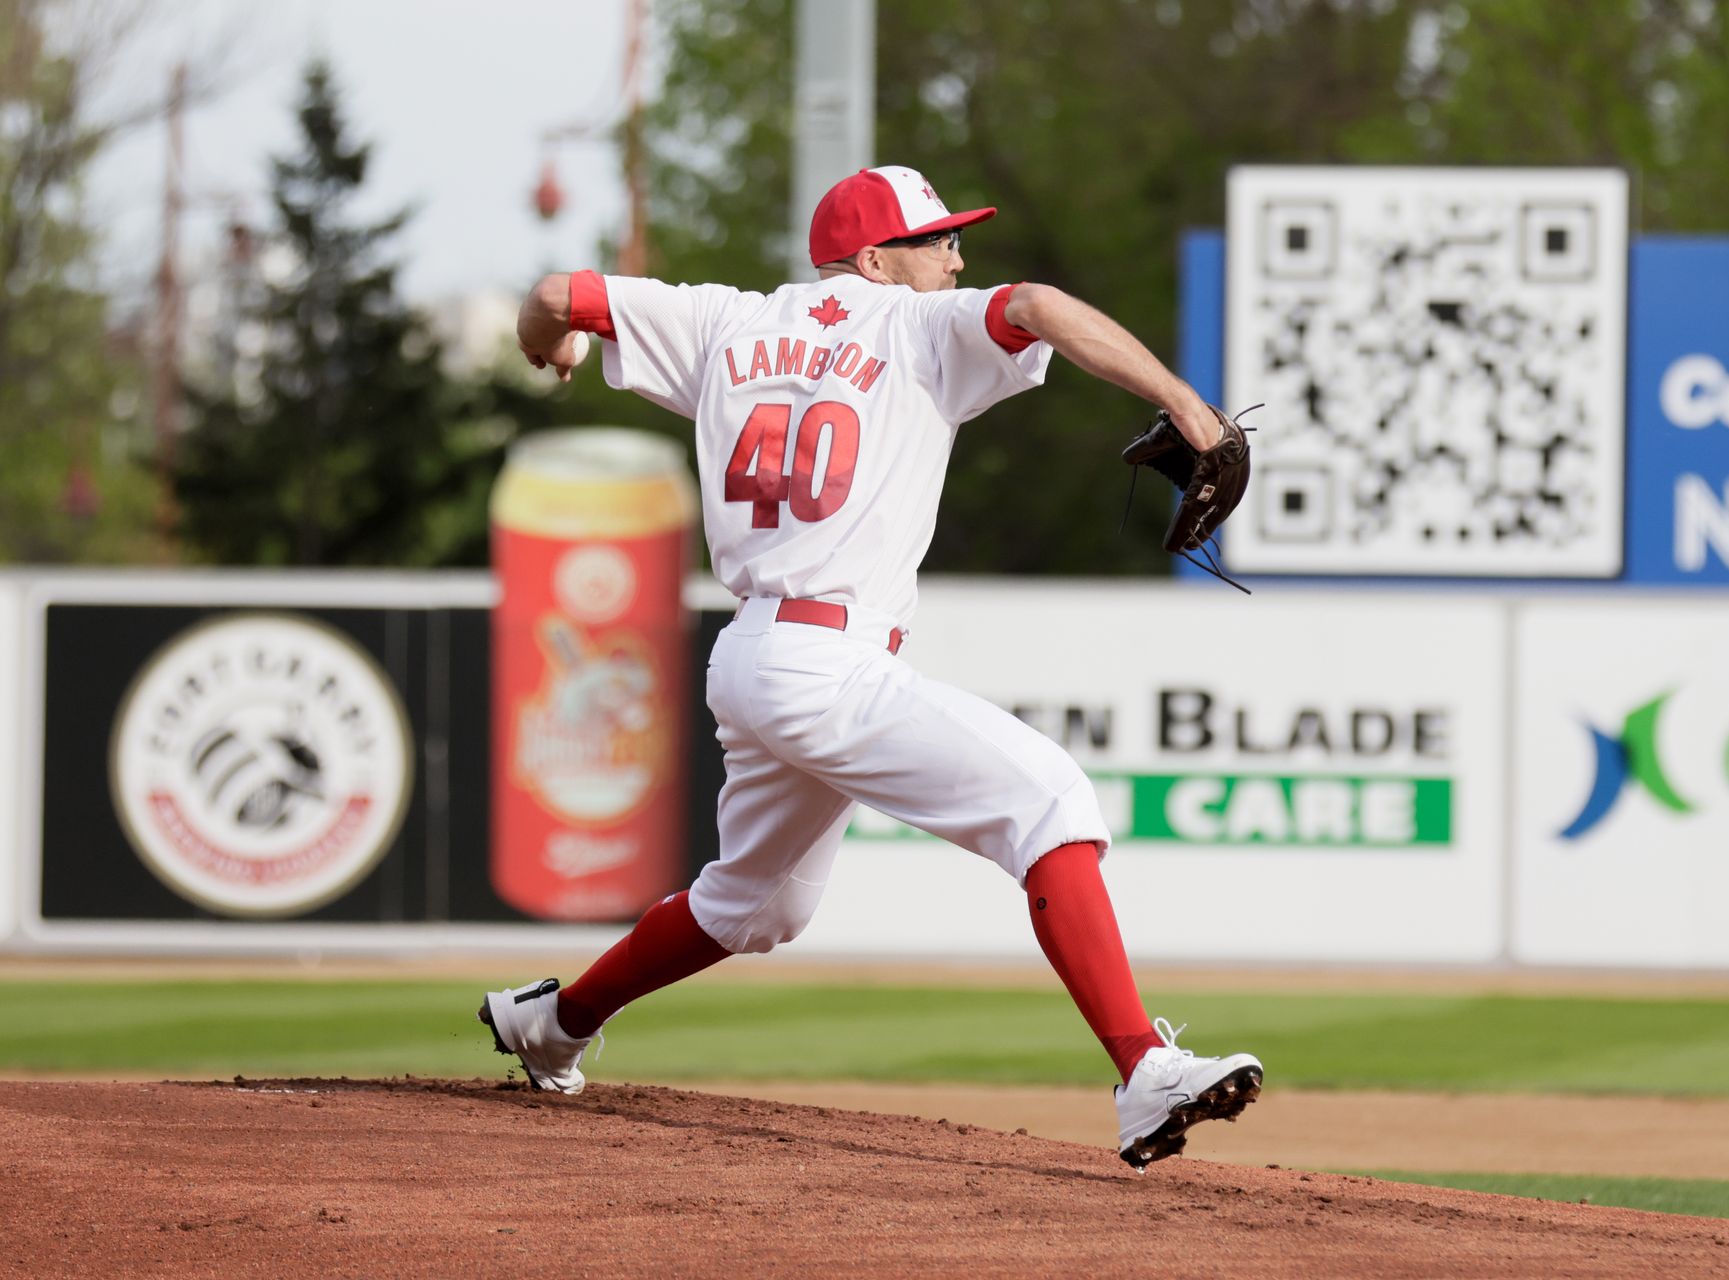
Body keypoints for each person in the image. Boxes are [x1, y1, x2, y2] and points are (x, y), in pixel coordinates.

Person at [481, 165, 1261, 1170]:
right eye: (937, 241)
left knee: (756, 905)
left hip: (751, 653)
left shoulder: (724, 320)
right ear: (872, 258)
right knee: (1049, 799)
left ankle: (554, 1022)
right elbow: (1037, 305)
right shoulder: (915, 326)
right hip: (827, 661)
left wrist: (554, 350)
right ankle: (1143, 1068)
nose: (956, 257)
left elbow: (552, 298)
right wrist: (1190, 408)